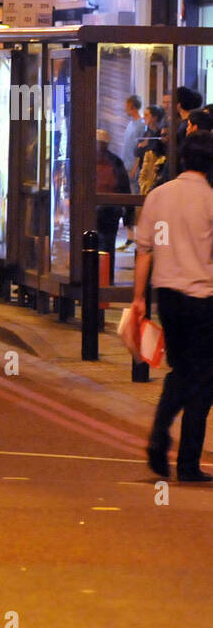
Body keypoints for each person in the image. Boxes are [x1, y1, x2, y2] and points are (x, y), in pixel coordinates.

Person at [134, 131, 213, 483]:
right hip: (203, 298)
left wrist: (138, 299)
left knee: (182, 369)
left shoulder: (158, 196)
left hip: (167, 297)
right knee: (203, 380)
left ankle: (159, 433)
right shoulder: (210, 200)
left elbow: (144, 250)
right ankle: (187, 462)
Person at [95, 128, 131, 284]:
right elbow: (124, 186)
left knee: (103, 244)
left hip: (107, 209)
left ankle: (102, 279)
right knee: (105, 245)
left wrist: (128, 212)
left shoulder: (112, 161)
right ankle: (105, 279)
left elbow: (123, 186)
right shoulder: (114, 161)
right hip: (108, 209)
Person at [137, 104, 167, 194]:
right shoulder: (147, 133)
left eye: (147, 115)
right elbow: (137, 151)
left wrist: (145, 146)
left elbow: (153, 149)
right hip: (145, 171)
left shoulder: (158, 134)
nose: (144, 117)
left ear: (154, 117)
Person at [122, 95, 145, 191]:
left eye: (126, 106)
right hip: (126, 165)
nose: (125, 108)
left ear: (132, 106)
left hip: (133, 168)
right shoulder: (131, 123)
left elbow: (141, 148)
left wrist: (135, 168)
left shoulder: (141, 125)